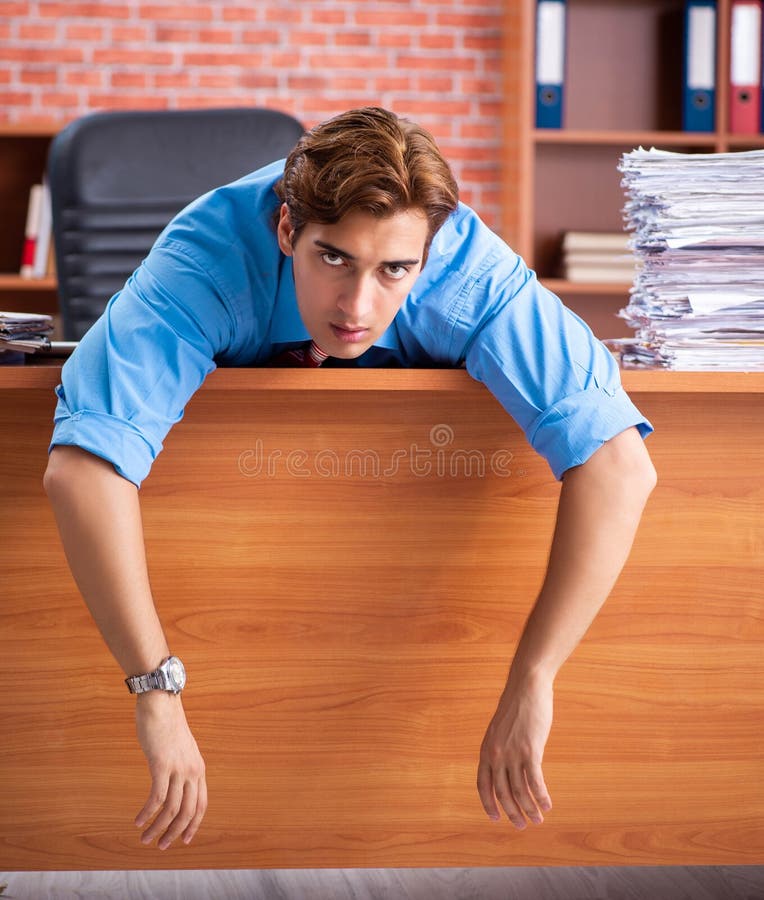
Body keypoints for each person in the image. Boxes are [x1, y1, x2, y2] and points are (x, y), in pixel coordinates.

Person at [43, 106, 656, 851]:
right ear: (286, 232)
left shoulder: (464, 266)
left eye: (394, 269)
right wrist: (154, 689)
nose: (359, 307)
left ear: (428, 254)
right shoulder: (206, 260)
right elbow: (83, 470)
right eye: (333, 258)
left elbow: (619, 462)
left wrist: (535, 675)